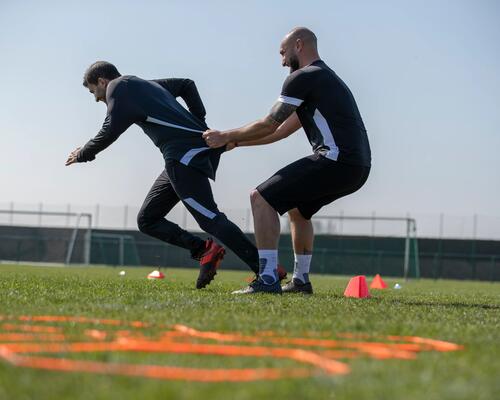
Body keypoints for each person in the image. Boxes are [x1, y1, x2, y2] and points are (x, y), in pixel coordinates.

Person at [65, 61, 263, 289]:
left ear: (102, 81)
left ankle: (266, 270)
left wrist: (82, 153)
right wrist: (199, 122)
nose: (97, 98)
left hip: (184, 156)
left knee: (210, 218)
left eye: (94, 92)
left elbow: (109, 131)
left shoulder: (117, 88)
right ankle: (203, 250)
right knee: (147, 219)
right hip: (179, 157)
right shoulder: (143, 85)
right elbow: (187, 85)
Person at [203, 27, 371, 294]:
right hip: (358, 167)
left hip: (335, 160)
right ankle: (301, 280)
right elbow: (279, 132)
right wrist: (237, 142)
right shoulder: (324, 78)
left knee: (260, 198)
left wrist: (225, 134)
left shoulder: (303, 77)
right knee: (298, 211)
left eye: (283, 53)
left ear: (299, 45)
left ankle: (268, 278)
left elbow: (270, 123)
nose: (281, 61)